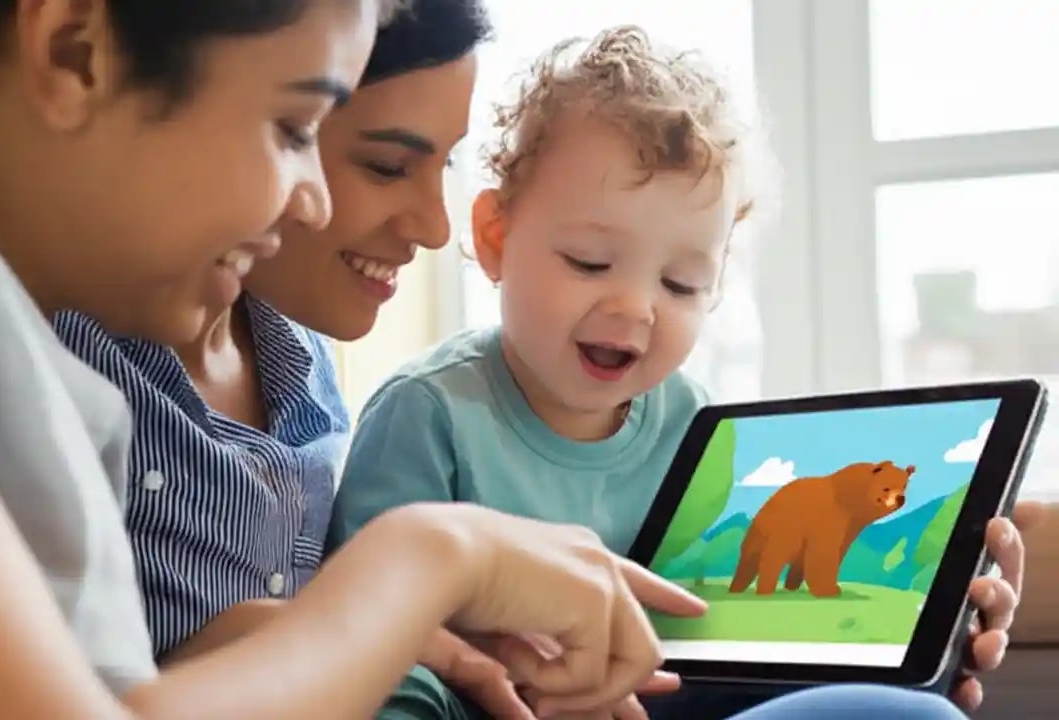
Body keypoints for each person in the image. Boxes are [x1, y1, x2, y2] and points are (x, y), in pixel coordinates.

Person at [0, 1, 712, 717]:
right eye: (294, 128)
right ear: (74, 51)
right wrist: (436, 555)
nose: (307, 201)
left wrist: (247, 644)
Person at [326, 25, 1035, 719]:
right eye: (589, 262)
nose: (636, 308)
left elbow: (723, 643)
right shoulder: (428, 416)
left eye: (683, 284)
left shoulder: (694, 420)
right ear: (495, 238)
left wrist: (922, 646)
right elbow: (375, 657)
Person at [50, 0, 535, 714]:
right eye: (386, 165)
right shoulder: (53, 360)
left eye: (446, 162)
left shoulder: (303, 361)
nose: (436, 229)